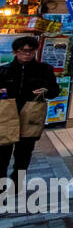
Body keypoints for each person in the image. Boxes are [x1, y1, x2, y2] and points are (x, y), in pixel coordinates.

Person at [0, 35, 61, 187]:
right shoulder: (3, 70)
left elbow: (55, 91)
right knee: (2, 157)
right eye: (23, 51)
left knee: (23, 156)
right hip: (7, 118)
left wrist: (46, 91)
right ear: (15, 52)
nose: (27, 54)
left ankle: (16, 186)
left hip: (31, 118)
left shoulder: (44, 70)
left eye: (31, 51)